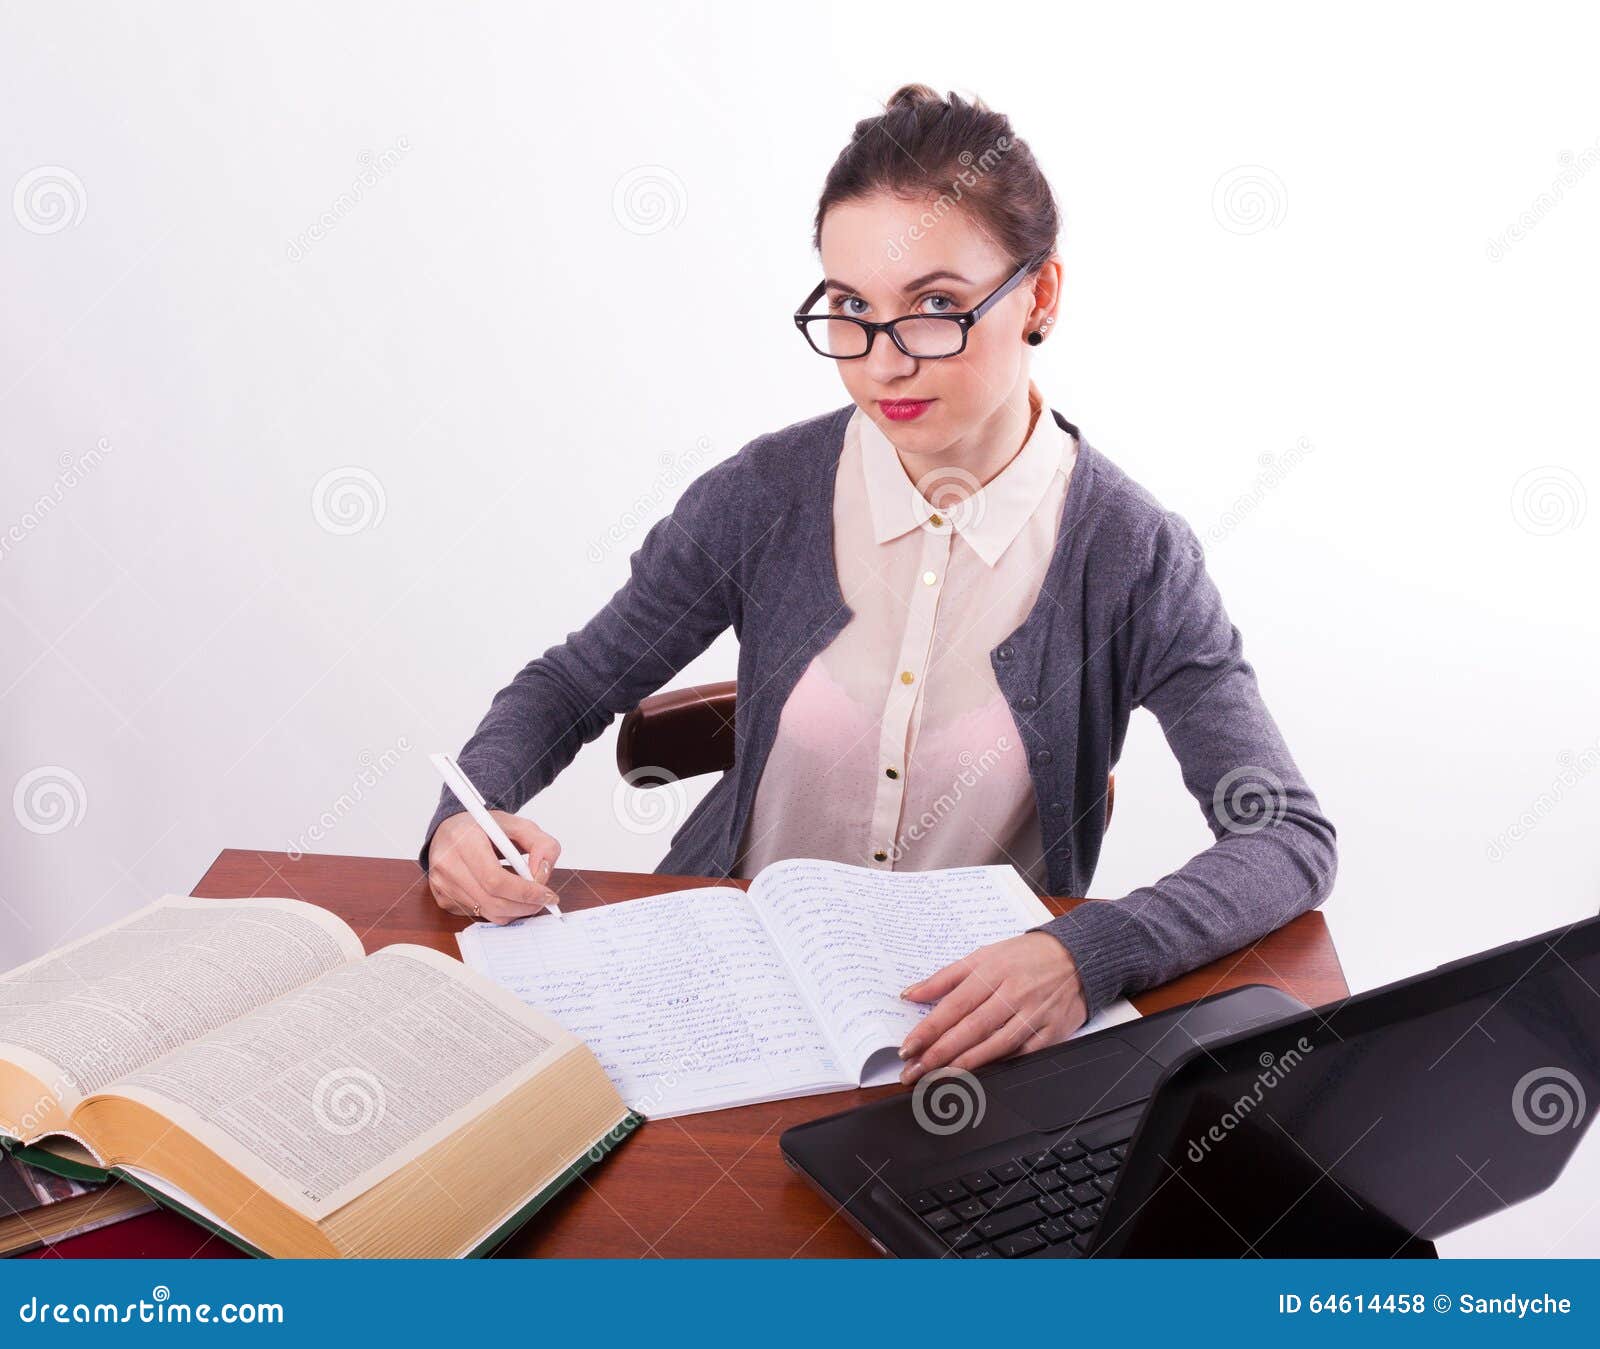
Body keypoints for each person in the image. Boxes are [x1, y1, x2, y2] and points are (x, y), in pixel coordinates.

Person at [419, 83, 1336, 1089]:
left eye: (936, 307)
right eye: (852, 309)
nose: (882, 361)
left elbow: (1284, 834)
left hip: (968, 1035)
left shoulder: (1130, 553)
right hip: (721, 1000)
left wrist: (1090, 952)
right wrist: (465, 817)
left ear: (1040, 296)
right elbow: (569, 685)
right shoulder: (763, 495)